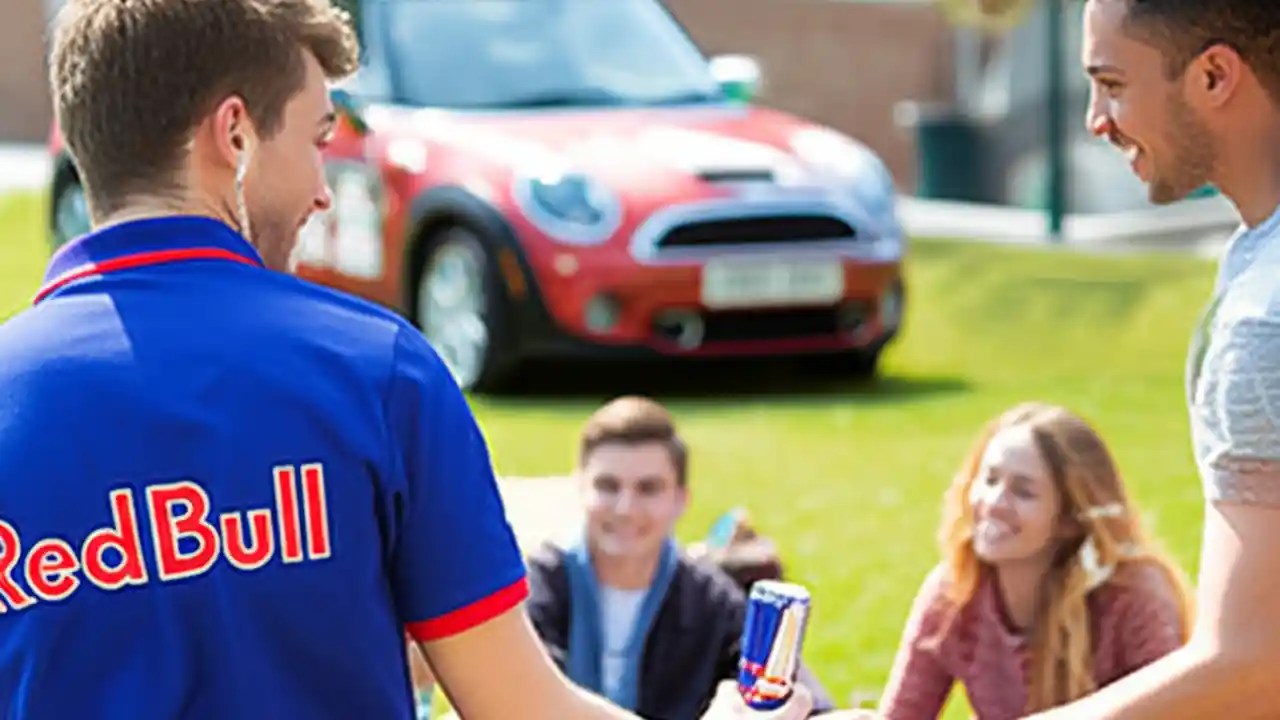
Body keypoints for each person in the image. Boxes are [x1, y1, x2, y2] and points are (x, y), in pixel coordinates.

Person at [0, 2, 812, 718]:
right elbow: (520, 709)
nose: (324, 191)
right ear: (235, 132)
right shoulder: (377, 373)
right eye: (320, 138)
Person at [873, 403, 1193, 719]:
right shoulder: (955, 591)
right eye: (989, 479)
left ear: (1071, 518)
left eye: (1023, 492)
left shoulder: (1133, 595)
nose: (994, 503)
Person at [524, 396, 836, 718]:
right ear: (579, 486)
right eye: (607, 486)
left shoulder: (710, 598)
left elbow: (802, 697)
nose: (625, 509)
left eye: (648, 489)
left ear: (681, 499)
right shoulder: (537, 585)